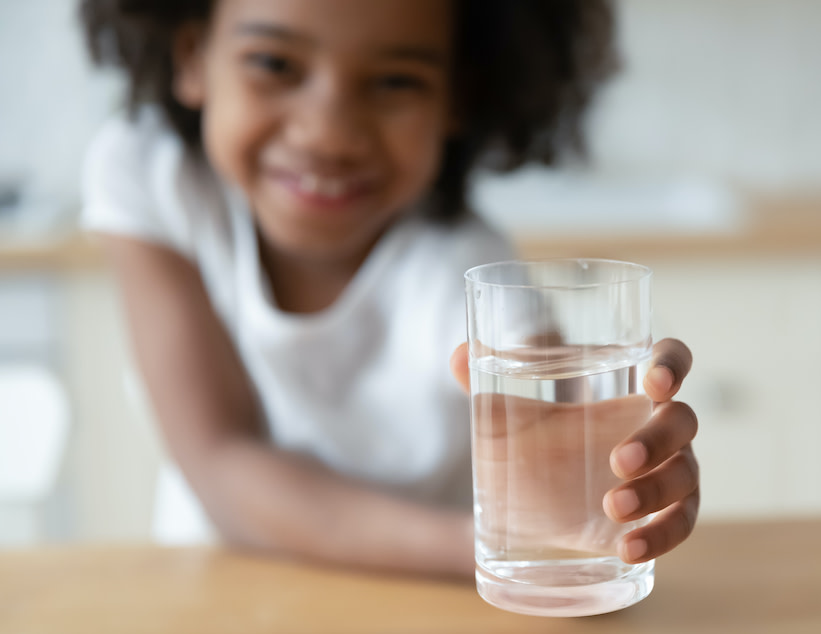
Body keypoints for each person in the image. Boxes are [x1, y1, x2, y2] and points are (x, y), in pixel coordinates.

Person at [78, 0, 700, 578]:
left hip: (432, 627)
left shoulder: (465, 269)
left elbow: (573, 507)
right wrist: (485, 545)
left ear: (459, 96)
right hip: (219, 599)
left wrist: (590, 511)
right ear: (192, 55)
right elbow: (221, 462)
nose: (328, 132)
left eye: (395, 81)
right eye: (274, 64)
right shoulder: (151, 177)